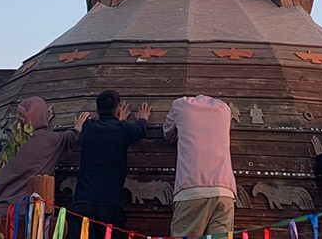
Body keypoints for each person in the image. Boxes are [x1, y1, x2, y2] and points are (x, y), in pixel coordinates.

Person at [71, 90, 151, 232]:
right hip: (109, 205)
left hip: (82, 202)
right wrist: (143, 118)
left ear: (97, 109)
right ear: (118, 109)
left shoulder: (88, 127)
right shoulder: (124, 130)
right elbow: (140, 130)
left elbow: (94, 128)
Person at [0, 97, 91, 206]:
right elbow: (69, 139)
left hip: (2, 211)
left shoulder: (10, 140)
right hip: (29, 215)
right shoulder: (49, 140)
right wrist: (77, 127)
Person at [163, 94, 237, 239]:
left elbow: (168, 133)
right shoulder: (224, 109)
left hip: (190, 190)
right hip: (224, 192)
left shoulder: (180, 105)